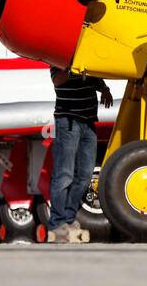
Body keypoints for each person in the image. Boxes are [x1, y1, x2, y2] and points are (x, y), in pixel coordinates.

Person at [47, 67, 112, 242]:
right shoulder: (59, 57)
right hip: (68, 120)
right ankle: (57, 222)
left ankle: (68, 218)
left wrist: (104, 88)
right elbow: (57, 80)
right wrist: (75, 68)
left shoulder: (86, 57)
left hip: (89, 120)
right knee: (64, 174)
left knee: (85, 175)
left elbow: (93, 78)